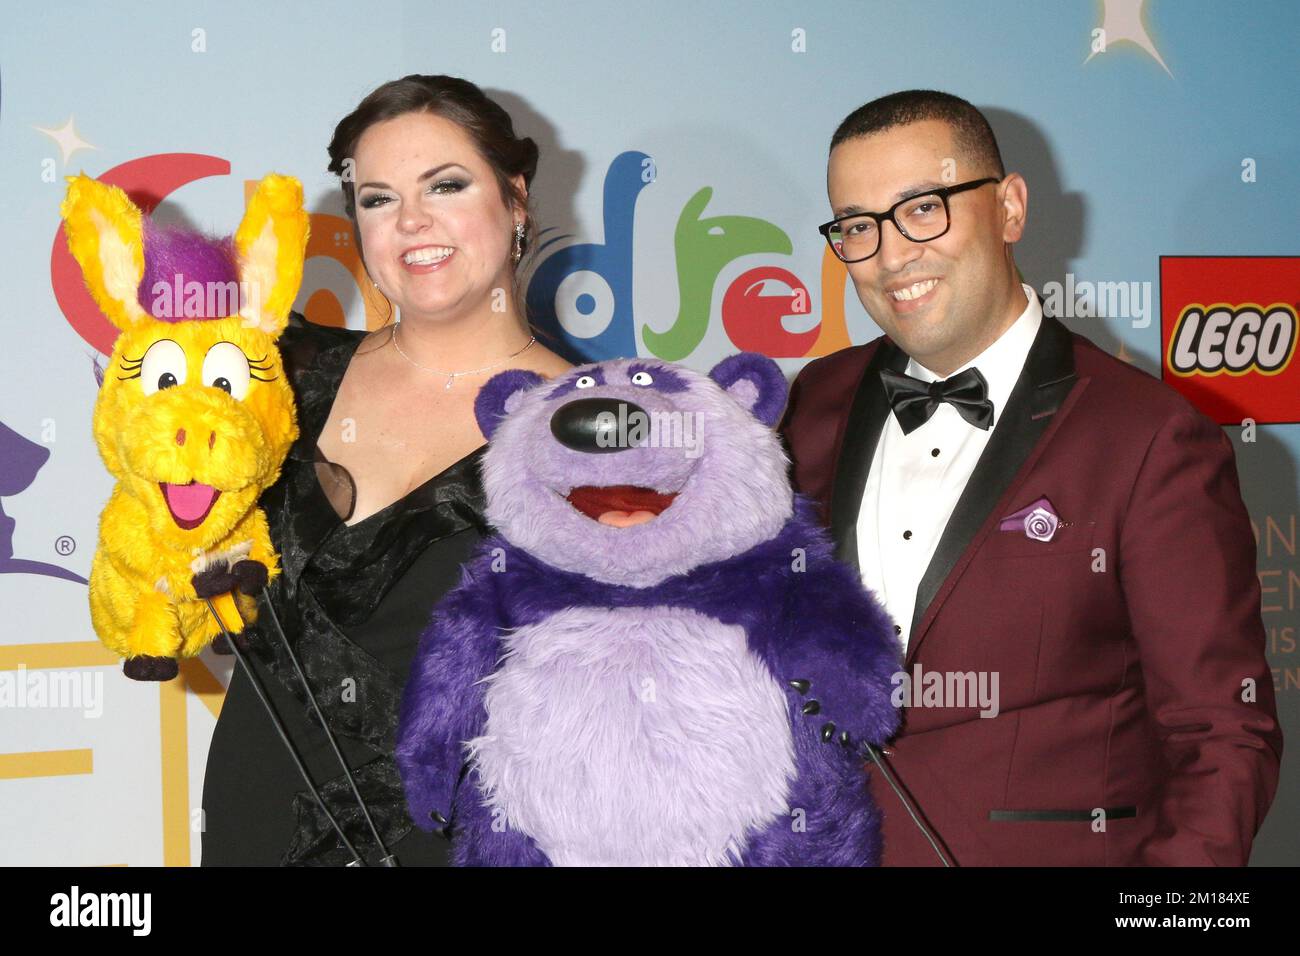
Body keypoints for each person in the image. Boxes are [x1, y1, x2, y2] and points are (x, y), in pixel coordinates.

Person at [780, 90, 1282, 866]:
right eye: (857, 226)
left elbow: (1223, 736)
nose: (890, 254)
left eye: (923, 209)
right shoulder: (813, 403)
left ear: (1010, 208)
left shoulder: (1149, 436)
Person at [201, 75, 570, 866]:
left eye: (446, 184)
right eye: (376, 198)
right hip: (251, 817)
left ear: (515, 198)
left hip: (450, 842)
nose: (411, 222)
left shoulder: (592, 429)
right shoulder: (283, 379)